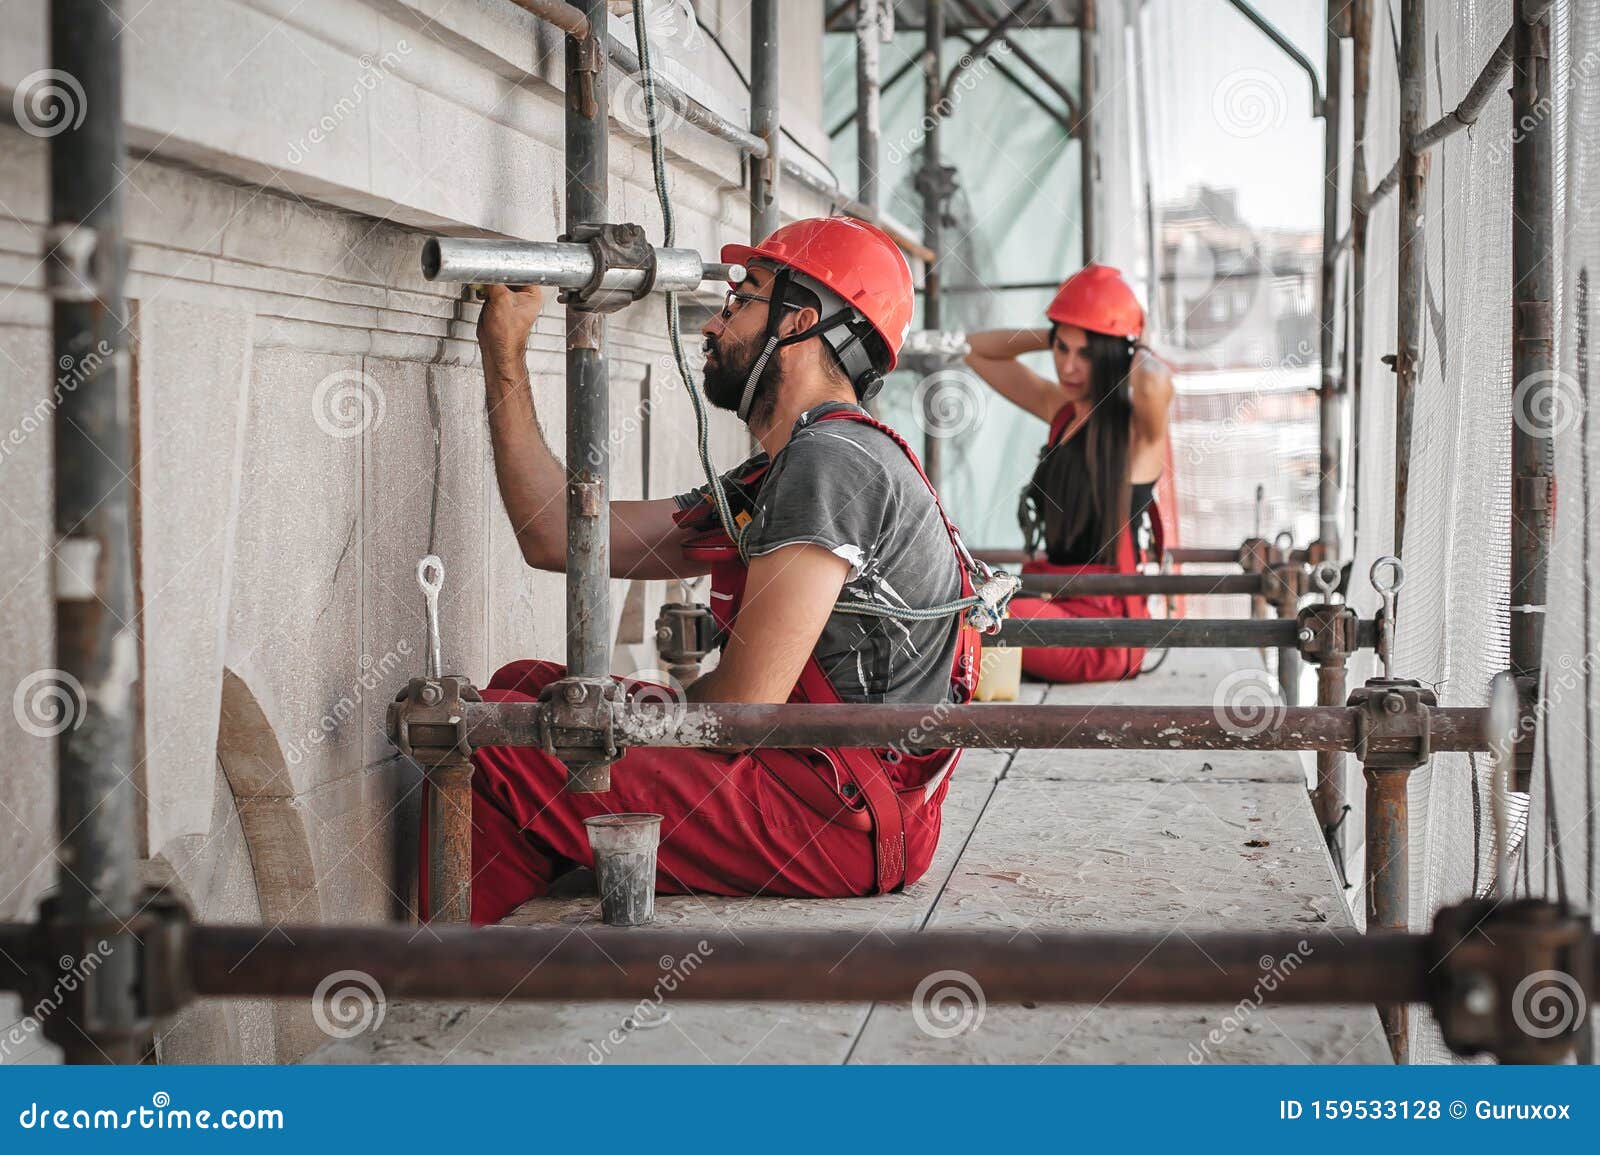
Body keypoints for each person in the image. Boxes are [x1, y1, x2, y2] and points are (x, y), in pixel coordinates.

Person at [459, 216, 982, 925]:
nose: (715, 324)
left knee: (498, 740)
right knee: (529, 686)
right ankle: (524, 901)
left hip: (832, 822)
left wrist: (619, 727)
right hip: (822, 791)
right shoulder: (791, 467)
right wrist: (506, 352)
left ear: (800, 323)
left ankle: (445, 967)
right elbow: (556, 536)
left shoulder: (829, 465)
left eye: (743, 299)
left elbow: (741, 710)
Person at [963, 264, 1174, 683]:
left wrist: (1130, 340)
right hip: (1048, 602)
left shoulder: (1137, 436)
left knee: (973, 612)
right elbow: (977, 350)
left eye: (1087, 354)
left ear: (1113, 355)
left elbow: (1153, 385)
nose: (1069, 367)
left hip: (1103, 633)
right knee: (964, 600)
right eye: (1063, 351)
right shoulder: (1060, 410)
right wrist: (1058, 331)